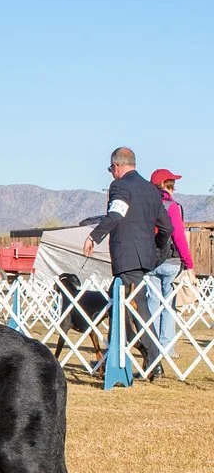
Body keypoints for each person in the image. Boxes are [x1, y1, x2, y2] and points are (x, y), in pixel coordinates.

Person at [83, 147, 171, 381]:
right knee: (124, 309)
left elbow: (116, 215)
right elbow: (167, 227)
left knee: (135, 312)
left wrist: (94, 236)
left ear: (117, 166)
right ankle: (116, 360)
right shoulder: (152, 190)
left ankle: (152, 360)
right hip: (144, 259)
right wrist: (158, 250)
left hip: (127, 259)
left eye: (111, 169)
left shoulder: (120, 186)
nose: (111, 173)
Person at [144, 168, 195, 359]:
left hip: (149, 261)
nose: (174, 188)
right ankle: (167, 346)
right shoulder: (172, 207)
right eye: (172, 184)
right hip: (171, 261)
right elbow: (179, 236)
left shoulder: (145, 206)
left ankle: (153, 346)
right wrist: (188, 263)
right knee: (169, 306)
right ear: (166, 186)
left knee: (152, 305)